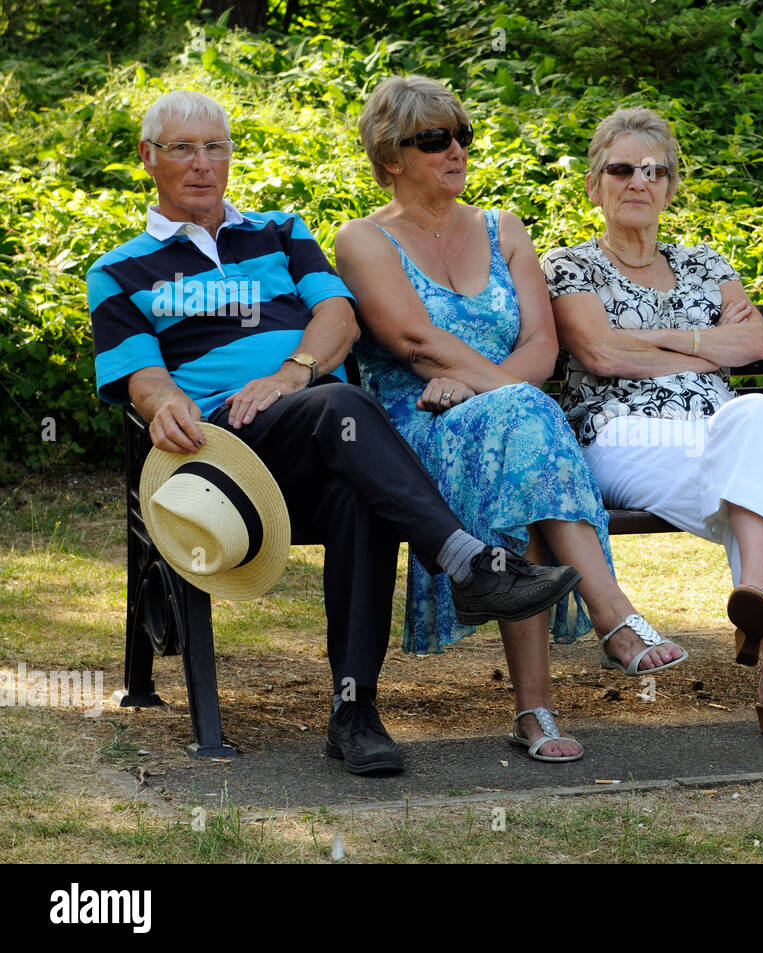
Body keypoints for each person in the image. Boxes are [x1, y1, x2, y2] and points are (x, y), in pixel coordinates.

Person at [87, 90, 581, 775]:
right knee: (342, 404)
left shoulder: (280, 232)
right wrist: (165, 399)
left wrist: (291, 374)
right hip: (218, 451)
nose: (202, 165)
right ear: (148, 158)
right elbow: (144, 379)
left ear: (230, 156)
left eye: (215, 148)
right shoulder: (118, 271)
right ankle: (468, 562)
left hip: (312, 430)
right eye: (181, 149)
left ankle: (355, 713)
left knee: (360, 486)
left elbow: (339, 319)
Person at [334, 77, 683, 762]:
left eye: (462, 134)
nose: (456, 150)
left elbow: (543, 349)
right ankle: (607, 623)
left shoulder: (504, 227)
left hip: (510, 419)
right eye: (434, 140)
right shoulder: (363, 239)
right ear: (391, 156)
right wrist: (490, 394)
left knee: (522, 432)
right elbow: (413, 343)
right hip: (413, 437)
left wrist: (483, 392)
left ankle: (540, 709)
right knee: (526, 424)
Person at [542, 107, 763, 735]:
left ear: (670, 186)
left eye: (654, 171)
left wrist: (647, 342)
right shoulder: (570, 266)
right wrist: (704, 340)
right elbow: (600, 354)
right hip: (624, 435)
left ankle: (758, 598)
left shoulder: (706, 263)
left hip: (720, 432)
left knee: (761, 420)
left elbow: (759, 345)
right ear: (594, 185)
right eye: (621, 168)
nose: (638, 181)